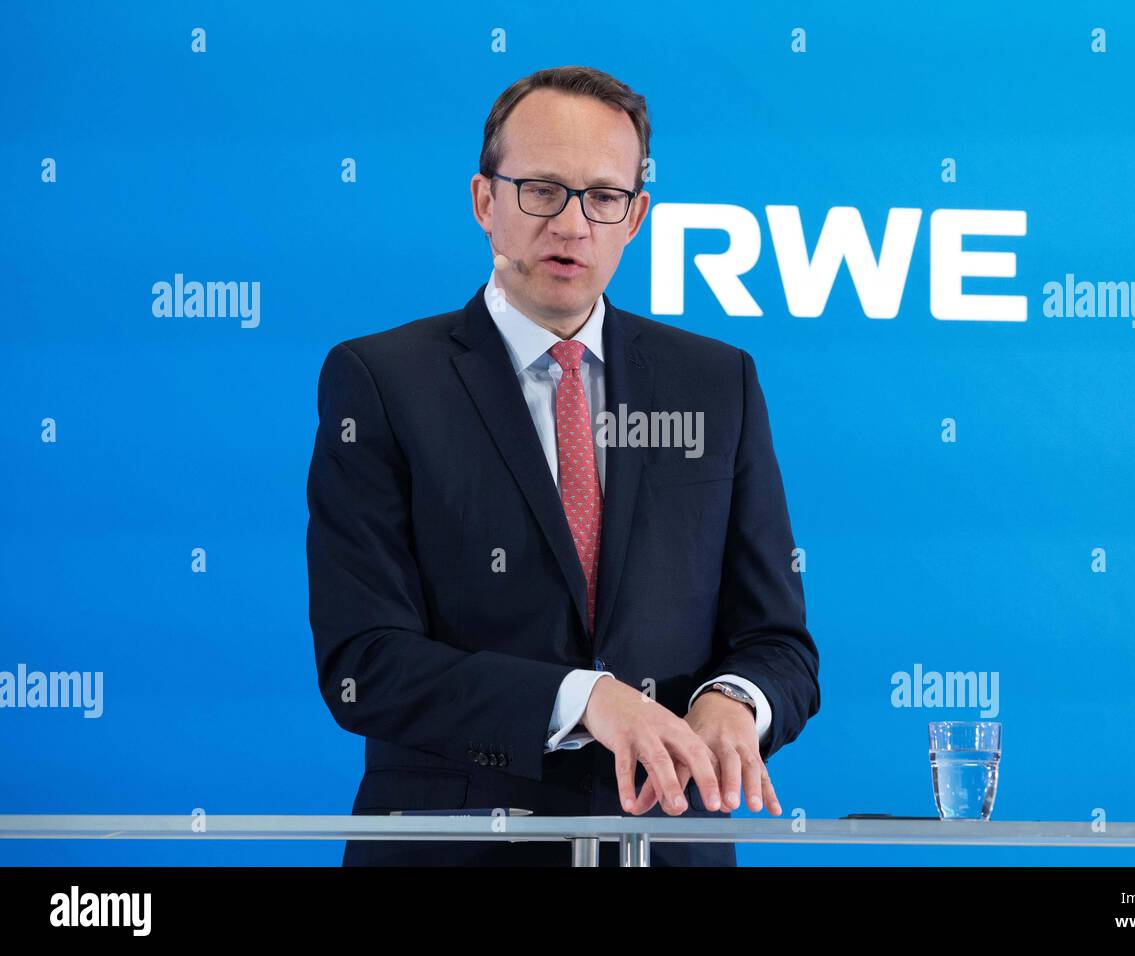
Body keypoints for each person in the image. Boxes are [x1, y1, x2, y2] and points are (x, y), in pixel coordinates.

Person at [306, 65, 819, 866]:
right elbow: (364, 662)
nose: (572, 225)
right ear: (485, 201)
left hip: (666, 847)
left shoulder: (718, 382)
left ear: (636, 216)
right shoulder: (381, 381)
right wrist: (584, 700)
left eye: (603, 197)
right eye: (541, 189)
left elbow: (779, 644)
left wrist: (732, 703)